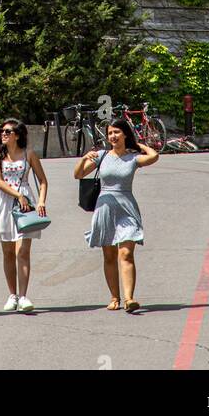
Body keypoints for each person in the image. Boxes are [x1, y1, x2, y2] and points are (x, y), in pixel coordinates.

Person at [74, 118, 159, 314]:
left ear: (125, 134)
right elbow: (78, 174)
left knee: (126, 253)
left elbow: (154, 156)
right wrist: (84, 158)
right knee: (109, 255)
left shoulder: (133, 158)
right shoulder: (102, 156)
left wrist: (137, 145)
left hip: (127, 208)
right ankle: (114, 297)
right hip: (104, 208)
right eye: (110, 133)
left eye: (117, 132)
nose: (113, 136)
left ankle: (129, 298)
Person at [0, 118, 48, 314]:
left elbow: (43, 181)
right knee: (8, 252)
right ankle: (12, 295)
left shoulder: (29, 154)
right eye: (2, 131)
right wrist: (17, 195)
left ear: (17, 135)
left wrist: (41, 201)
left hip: (25, 204)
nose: (3, 134)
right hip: (4, 202)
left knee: (23, 251)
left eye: (8, 131)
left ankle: (23, 296)